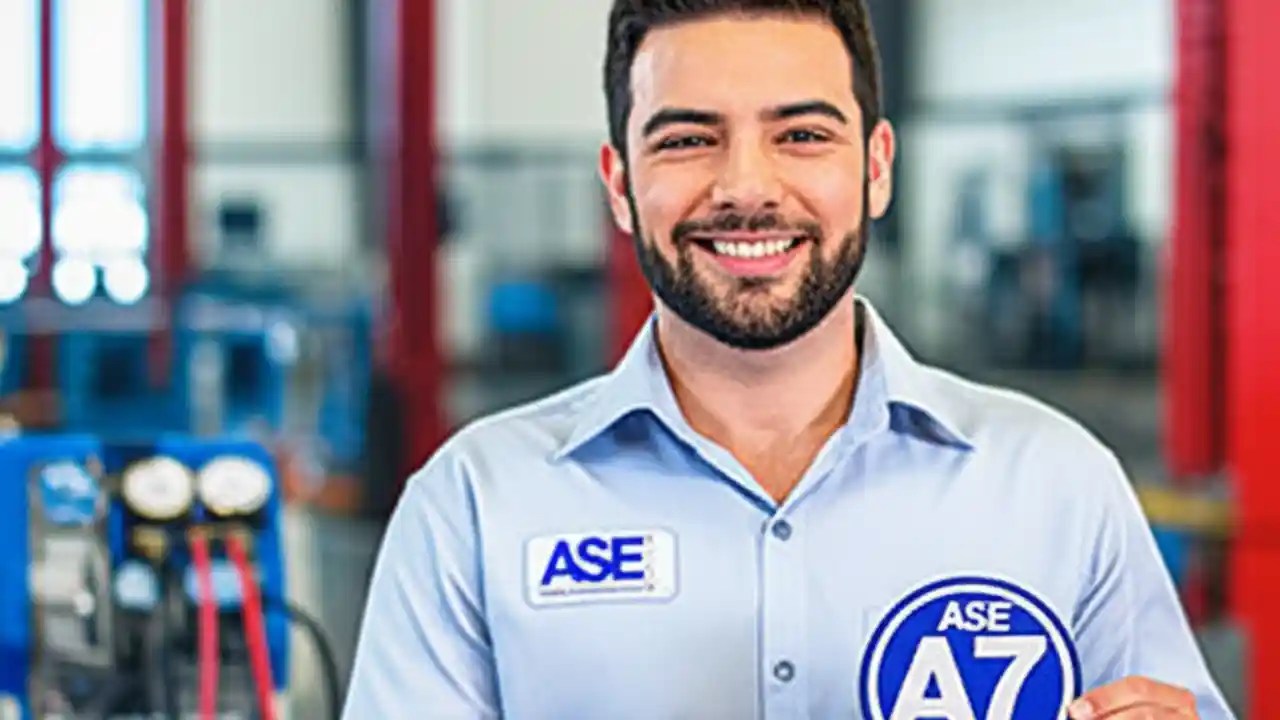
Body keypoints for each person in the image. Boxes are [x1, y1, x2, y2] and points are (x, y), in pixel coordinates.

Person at [343, 1, 1234, 717]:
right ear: (619, 184)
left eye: (801, 135)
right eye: (688, 138)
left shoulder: (1055, 484)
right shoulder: (474, 508)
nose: (746, 188)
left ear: (877, 168)